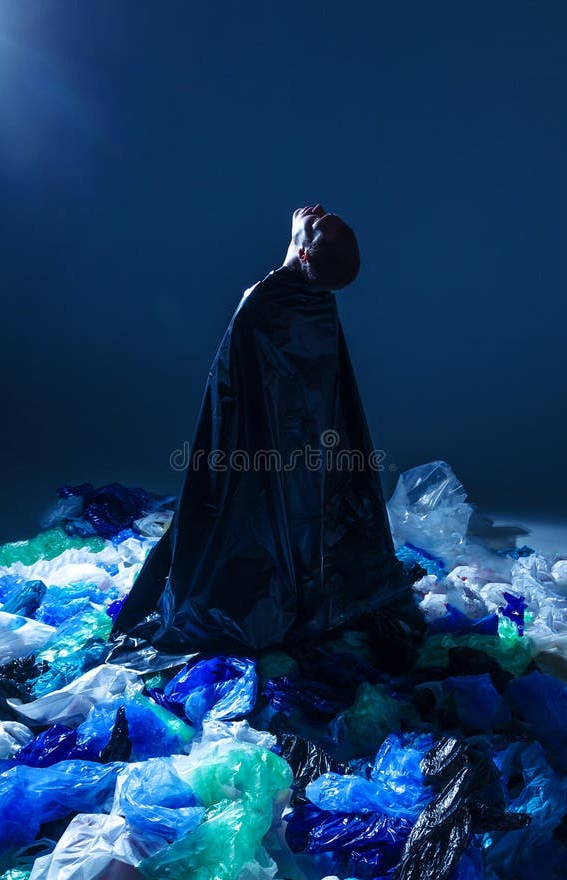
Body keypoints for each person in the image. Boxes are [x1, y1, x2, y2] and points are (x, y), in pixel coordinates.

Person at [111, 204, 418, 657]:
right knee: (296, 515)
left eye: (316, 225)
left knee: (253, 523)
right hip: (300, 463)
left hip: (264, 463)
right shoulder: (319, 303)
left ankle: (268, 590)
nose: (313, 212)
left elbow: (230, 398)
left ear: (307, 256)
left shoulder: (263, 303)